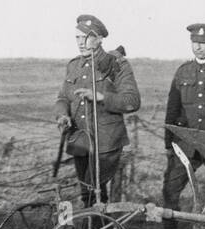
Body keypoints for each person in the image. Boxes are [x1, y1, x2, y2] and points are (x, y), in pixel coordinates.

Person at [54, 14, 141, 206]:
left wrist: (101, 97)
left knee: (93, 193)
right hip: (80, 140)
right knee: (89, 194)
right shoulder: (74, 65)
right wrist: (63, 115)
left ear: (100, 39)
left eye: (87, 37)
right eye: (77, 38)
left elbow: (132, 101)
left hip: (106, 142)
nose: (81, 43)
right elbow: (62, 98)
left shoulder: (115, 64)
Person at [161, 22, 205, 229]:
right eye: (194, 43)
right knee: (170, 189)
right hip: (186, 145)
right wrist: (169, 143)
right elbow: (172, 109)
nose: (198, 47)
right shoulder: (183, 72)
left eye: (203, 43)